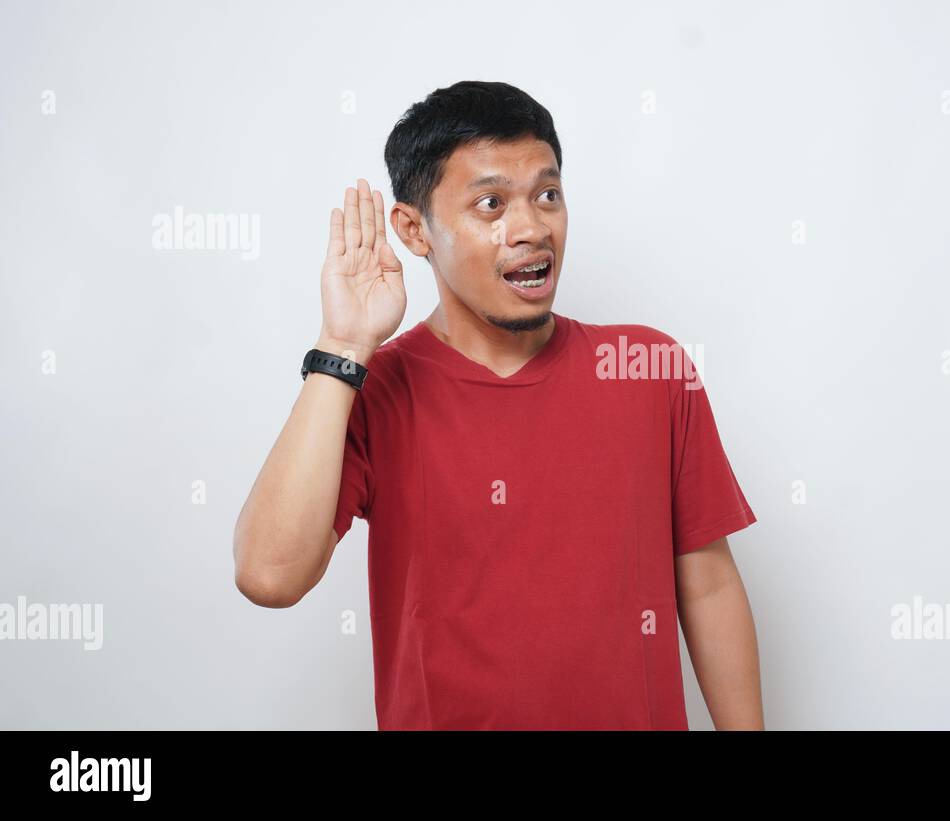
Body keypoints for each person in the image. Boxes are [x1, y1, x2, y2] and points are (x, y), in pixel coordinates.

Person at [233, 81, 761, 730]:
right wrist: (342, 346)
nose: (532, 228)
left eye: (548, 195)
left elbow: (707, 585)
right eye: (491, 203)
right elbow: (269, 574)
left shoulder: (649, 369)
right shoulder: (377, 391)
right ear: (413, 230)